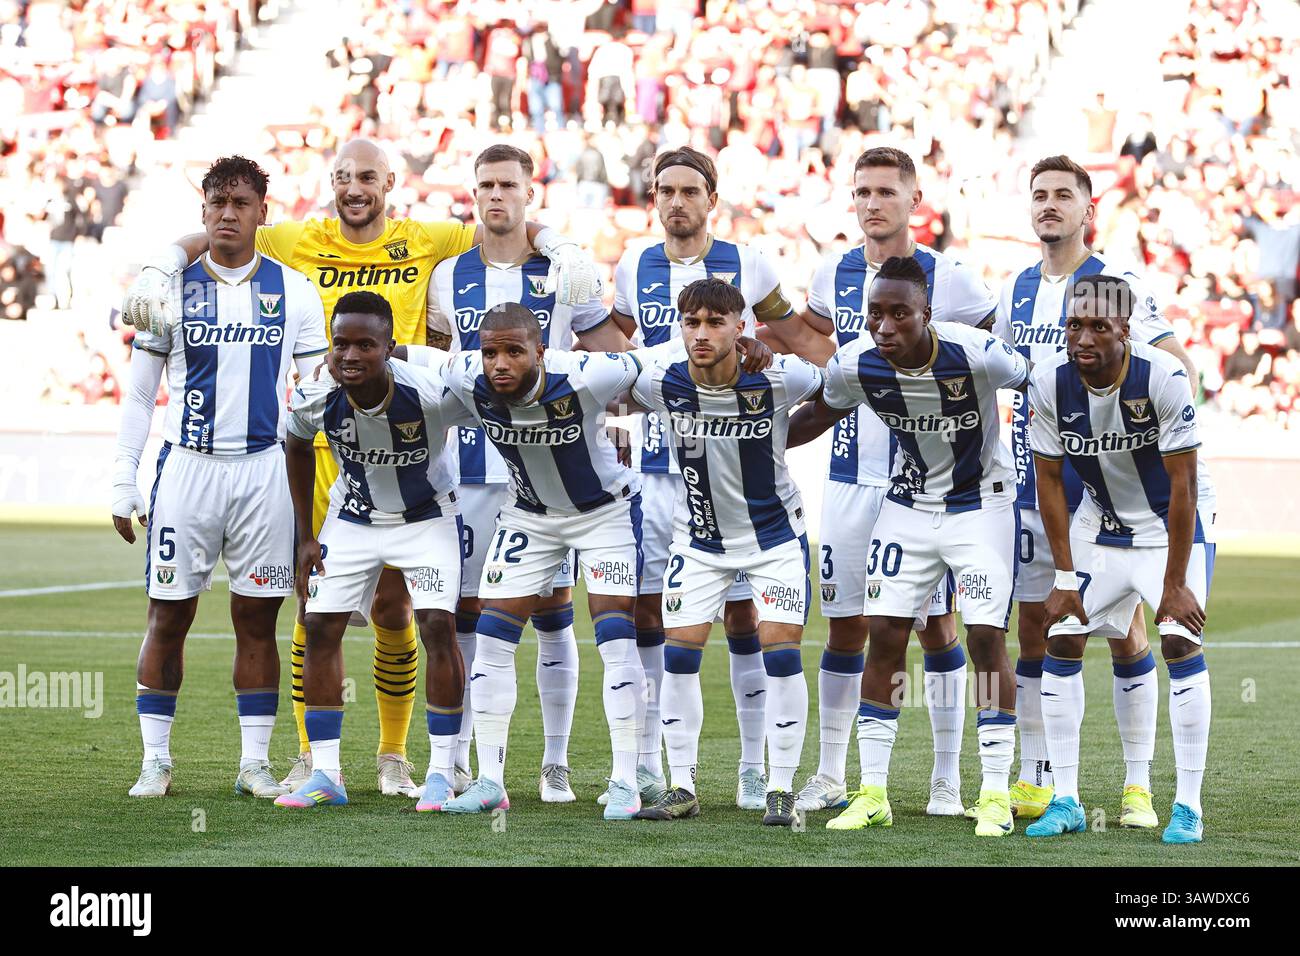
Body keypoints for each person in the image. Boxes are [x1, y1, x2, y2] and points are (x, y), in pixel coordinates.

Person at [119, 138, 601, 797]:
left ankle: (398, 755)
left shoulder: (428, 237)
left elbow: (508, 221)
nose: (354, 187)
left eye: (367, 177)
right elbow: (222, 224)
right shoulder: (293, 238)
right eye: (343, 175)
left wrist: (563, 247)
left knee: (399, 609)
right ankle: (308, 760)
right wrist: (164, 262)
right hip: (325, 445)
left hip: (411, 438)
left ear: (390, 183)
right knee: (311, 608)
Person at [993, 154, 1209, 826]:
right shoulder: (1015, 291)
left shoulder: (1117, 284)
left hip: (1125, 484)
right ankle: (1044, 781)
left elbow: (1177, 365)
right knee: (1047, 626)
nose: (1050, 205)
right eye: (1040, 195)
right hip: (1045, 480)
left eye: (1064, 195)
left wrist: (1132, 428)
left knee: (1132, 635)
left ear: (1089, 209)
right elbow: (1003, 373)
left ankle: (1143, 789)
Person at [781, 146, 997, 817]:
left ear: (914, 199)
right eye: (862, 192)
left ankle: (946, 782)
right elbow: (822, 346)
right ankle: (831, 774)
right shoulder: (832, 272)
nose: (872, 204)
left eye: (885, 191)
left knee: (938, 630)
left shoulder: (950, 276)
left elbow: (987, 356)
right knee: (847, 628)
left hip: (928, 487)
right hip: (846, 477)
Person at [608, 145, 825, 810]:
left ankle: (759, 772)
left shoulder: (750, 261)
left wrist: (771, 410)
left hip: (752, 484)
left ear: (711, 199)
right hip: (665, 469)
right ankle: (656, 770)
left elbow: (800, 345)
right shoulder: (632, 266)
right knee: (660, 623)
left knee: (747, 623)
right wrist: (619, 423)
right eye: (664, 190)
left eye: (689, 191)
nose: (676, 202)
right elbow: (615, 357)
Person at [110, 155, 328, 799]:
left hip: (265, 470)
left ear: (264, 210)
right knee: (167, 614)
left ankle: (254, 764)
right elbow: (138, 395)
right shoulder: (171, 290)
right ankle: (156, 761)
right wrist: (124, 483)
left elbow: (314, 398)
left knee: (256, 619)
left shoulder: (294, 291)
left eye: (240, 204)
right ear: (203, 213)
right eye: (216, 205)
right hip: (187, 470)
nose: (228, 215)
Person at [428, 144, 635, 801]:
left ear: (529, 192)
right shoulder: (447, 275)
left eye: (508, 185)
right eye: (485, 184)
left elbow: (613, 357)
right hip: (467, 472)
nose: (496, 196)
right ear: (473, 192)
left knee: (552, 616)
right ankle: (459, 760)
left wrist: (625, 425)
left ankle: (554, 763)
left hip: (549, 481)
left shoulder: (565, 271)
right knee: (464, 614)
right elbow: (436, 373)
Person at [434, 303, 648, 821]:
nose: (499, 363)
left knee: (615, 637)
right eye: (490, 352)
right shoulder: (466, 374)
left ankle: (625, 781)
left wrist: (619, 415)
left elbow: (645, 365)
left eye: (514, 351)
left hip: (605, 514)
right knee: (491, 636)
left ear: (541, 352)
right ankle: (490, 780)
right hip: (529, 516)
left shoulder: (587, 375)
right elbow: (397, 356)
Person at [629, 279, 823, 827]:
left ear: (742, 326)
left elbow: (833, 392)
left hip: (775, 540)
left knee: (781, 656)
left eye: (716, 322)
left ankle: (780, 788)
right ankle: (682, 785)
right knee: (680, 657)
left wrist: (780, 436)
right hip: (699, 540)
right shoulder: (661, 380)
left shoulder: (783, 376)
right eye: (692, 323)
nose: (702, 333)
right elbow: (606, 383)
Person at [1026, 274, 1212, 844]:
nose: (1083, 338)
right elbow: (1050, 483)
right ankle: (1066, 799)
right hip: (1099, 527)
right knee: (1059, 633)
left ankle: (1187, 804)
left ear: (1125, 330)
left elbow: (1183, 486)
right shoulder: (1048, 382)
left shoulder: (1163, 375)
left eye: (1098, 327)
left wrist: (1177, 582)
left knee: (1181, 638)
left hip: (1167, 529)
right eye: (1074, 326)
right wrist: (1062, 577)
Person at [277, 291, 471, 811]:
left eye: (365, 344)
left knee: (435, 625)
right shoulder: (317, 392)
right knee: (319, 624)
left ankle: (438, 771)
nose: (350, 355)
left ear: (389, 348)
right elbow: (295, 445)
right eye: (340, 344)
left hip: (426, 519)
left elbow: (488, 408)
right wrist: (305, 535)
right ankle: (325, 773)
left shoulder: (431, 392)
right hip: (353, 518)